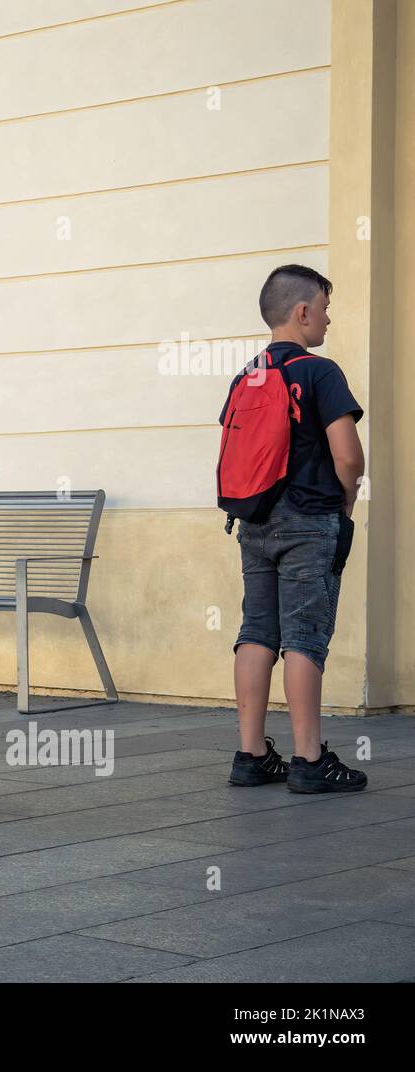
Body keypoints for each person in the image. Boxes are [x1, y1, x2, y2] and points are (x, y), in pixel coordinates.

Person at [226, 264, 367, 793]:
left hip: (254, 520)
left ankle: (251, 754)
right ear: (303, 312)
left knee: (257, 632)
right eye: (326, 311)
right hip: (310, 521)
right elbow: (348, 458)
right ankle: (310, 761)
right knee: (305, 637)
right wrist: (345, 507)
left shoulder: (247, 374)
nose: (328, 322)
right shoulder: (320, 372)